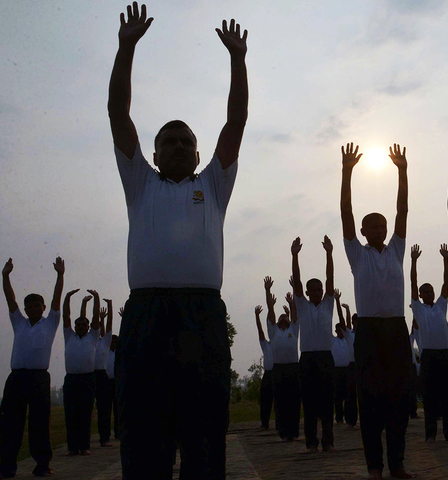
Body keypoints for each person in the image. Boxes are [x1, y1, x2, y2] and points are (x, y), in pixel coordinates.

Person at [108, 3, 249, 477]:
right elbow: (117, 112)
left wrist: (237, 60)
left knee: (205, 436)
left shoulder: (211, 185)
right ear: (151, 153)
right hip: (147, 317)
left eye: (186, 141)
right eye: (168, 140)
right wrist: (126, 48)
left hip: (202, 317)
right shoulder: (140, 183)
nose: (178, 146)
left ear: (198, 153)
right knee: (144, 437)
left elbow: (235, 123)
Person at [341, 142, 414, 480]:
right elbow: (346, 213)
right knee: (369, 400)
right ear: (363, 232)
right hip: (368, 332)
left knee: (398, 399)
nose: (380, 229)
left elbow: (403, 211)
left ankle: (396, 462)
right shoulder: (358, 255)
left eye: (383, 225)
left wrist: (402, 171)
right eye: (373, 226)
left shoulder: (397, 250)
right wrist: (347, 173)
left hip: (396, 330)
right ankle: (374, 466)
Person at [0, 257, 64, 478]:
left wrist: (60, 275)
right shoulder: (19, 322)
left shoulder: (50, 322)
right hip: (16, 378)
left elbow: (57, 298)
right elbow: (10, 299)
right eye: (31, 305)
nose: (35, 308)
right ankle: (7, 466)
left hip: (38, 378)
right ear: (26, 308)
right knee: (9, 423)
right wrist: (5, 276)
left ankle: (42, 465)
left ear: (44, 307)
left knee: (39, 422)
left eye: (39, 305)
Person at [292, 236, 337, 453]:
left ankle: (328, 440)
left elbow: (330, 278)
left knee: (327, 402)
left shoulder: (329, 304)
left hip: (326, 358)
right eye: (314, 290)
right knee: (309, 404)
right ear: (308, 293)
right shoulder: (302, 305)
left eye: (320, 289)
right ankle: (311, 442)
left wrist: (329, 253)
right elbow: (298, 283)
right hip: (308, 358)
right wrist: (295, 256)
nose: (318, 292)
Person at [411, 244, 448, 443]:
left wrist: (446, 259)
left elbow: (446, 282)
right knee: (429, 397)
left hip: (443, 354)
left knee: (446, 395)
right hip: (428, 355)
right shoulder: (418, 309)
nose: (429, 294)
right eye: (425, 292)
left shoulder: (441, 305)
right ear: (420, 295)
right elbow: (413, 283)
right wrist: (413, 261)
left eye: (431, 291)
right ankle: (431, 434)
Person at [63, 290, 101, 456]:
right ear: (74, 327)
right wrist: (67, 298)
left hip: (87, 379)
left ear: (88, 327)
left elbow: (95, 318)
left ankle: (84, 446)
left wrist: (97, 298)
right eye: (78, 324)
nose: (80, 326)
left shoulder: (92, 337)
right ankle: (72, 447)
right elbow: (65, 317)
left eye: (83, 325)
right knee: (71, 414)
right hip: (71, 379)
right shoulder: (69, 336)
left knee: (86, 413)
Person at [268, 284, 301, 442]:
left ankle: (293, 432)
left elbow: (295, 314)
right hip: (279, 369)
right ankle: (283, 432)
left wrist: (292, 301)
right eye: (281, 318)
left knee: (293, 401)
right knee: (280, 401)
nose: (282, 318)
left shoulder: (293, 330)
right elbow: (271, 313)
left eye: (285, 317)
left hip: (293, 368)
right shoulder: (273, 331)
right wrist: (268, 292)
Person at [255, 278, 276, 430]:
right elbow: (262, 330)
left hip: (280, 372)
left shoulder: (283, 340)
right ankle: (264, 423)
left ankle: (281, 424)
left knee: (282, 400)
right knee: (266, 399)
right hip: (269, 374)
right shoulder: (267, 344)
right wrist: (267, 291)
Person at [93, 299, 114, 447]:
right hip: (88, 375)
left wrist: (109, 308)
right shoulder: (89, 340)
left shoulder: (105, 341)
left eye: (102, 327)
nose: (100, 329)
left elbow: (109, 326)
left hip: (102, 376)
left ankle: (104, 438)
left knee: (104, 409)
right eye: (98, 327)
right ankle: (80, 442)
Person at [332, 291, 352, 426]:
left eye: (341, 330)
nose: (340, 332)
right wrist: (336, 302)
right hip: (336, 371)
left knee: (349, 396)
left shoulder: (348, 338)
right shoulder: (332, 341)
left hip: (348, 369)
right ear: (335, 331)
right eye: (338, 330)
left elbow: (347, 323)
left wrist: (347, 310)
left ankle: (349, 418)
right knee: (338, 397)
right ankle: (339, 418)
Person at [340, 302, 359, 428]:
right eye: (355, 321)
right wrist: (346, 309)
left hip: (364, 365)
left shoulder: (365, 333)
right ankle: (350, 421)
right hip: (352, 366)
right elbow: (344, 323)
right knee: (350, 395)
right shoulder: (349, 334)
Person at [106, 329, 119, 441]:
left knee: (118, 409)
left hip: (117, 382)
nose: (113, 344)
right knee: (106, 409)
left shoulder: (120, 353)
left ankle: (118, 432)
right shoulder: (104, 352)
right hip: (107, 382)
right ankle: (105, 434)